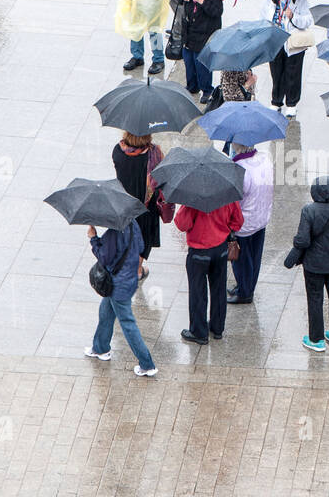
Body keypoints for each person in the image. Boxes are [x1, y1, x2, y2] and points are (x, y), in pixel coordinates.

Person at [285, 177, 329, 352]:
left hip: (314, 264)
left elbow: (302, 240)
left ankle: (316, 339)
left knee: (315, 299)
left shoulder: (308, 210)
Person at [85, 220, 157, 375]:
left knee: (128, 324)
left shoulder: (114, 232)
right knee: (105, 312)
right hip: (128, 280)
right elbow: (141, 247)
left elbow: (104, 257)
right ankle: (100, 348)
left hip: (117, 285)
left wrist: (94, 238)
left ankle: (147, 364)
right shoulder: (134, 224)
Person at [175, 196, 243, 345]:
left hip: (199, 252)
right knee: (219, 289)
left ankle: (199, 332)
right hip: (220, 249)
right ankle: (217, 328)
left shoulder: (193, 199)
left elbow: (181, 224)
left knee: (198, 292)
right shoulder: (226, 195)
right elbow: (238, 221)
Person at [111, 131, 165, 280]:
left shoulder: (118, 150)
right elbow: (162, 176)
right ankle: (138, 269)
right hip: (146, 204)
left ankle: (126, 263)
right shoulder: (154, 154)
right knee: (145, 234)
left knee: (126, 234)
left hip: (125, 202)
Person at [228, 142, 274, 304]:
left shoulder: (239, 168)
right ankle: (246, 286)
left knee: (241, 260)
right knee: (255, 256)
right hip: (261, 217)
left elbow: (235, 198)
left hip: (244, 222)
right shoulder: (265, 159)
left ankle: (245, 292)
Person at [263, 0, 313, 115]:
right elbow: (263, 16)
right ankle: (276, 101)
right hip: (275, 39)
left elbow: (308, 20)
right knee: (276, 72)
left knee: (293, 72)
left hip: (293, 42)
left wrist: (293, 16)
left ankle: (291, 103)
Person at [180, 0, 223, 102]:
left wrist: (201, 1)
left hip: (204, 32)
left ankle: (206, 89)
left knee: (201, 62)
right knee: (188, 58)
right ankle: (192, 85)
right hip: (190, 30)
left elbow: (217, 11)